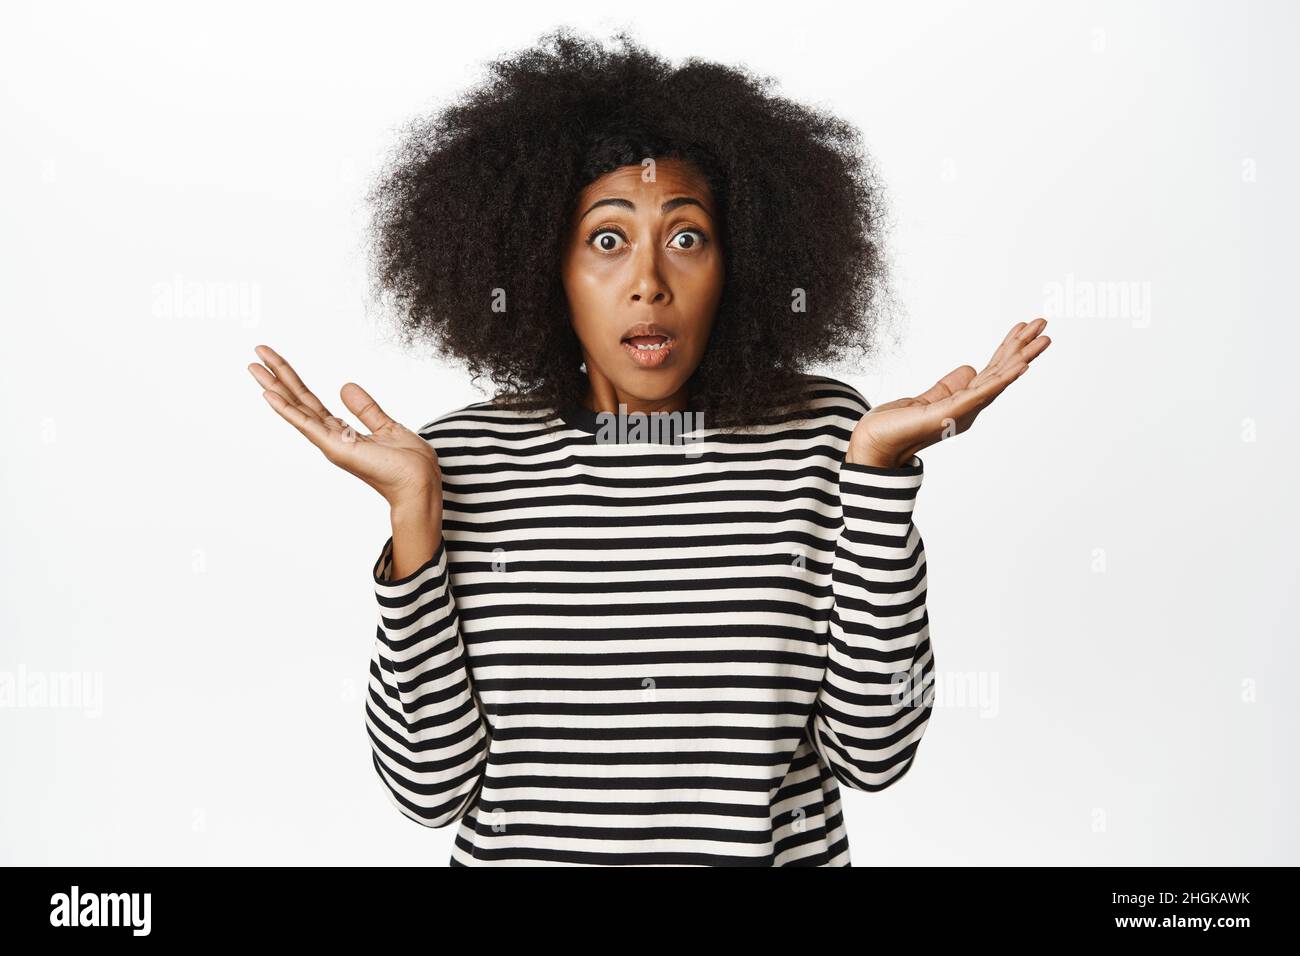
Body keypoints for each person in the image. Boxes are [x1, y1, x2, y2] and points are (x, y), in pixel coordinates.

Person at [246, 29, 1050, 866]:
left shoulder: (823, 437)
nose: (648, 281)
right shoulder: (461, 461)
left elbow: (876, 755)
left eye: (687, 236)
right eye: (606, 239)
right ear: (540, 265)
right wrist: (414, 517)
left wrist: (878, 478)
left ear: (740, 263)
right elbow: (428, 788)